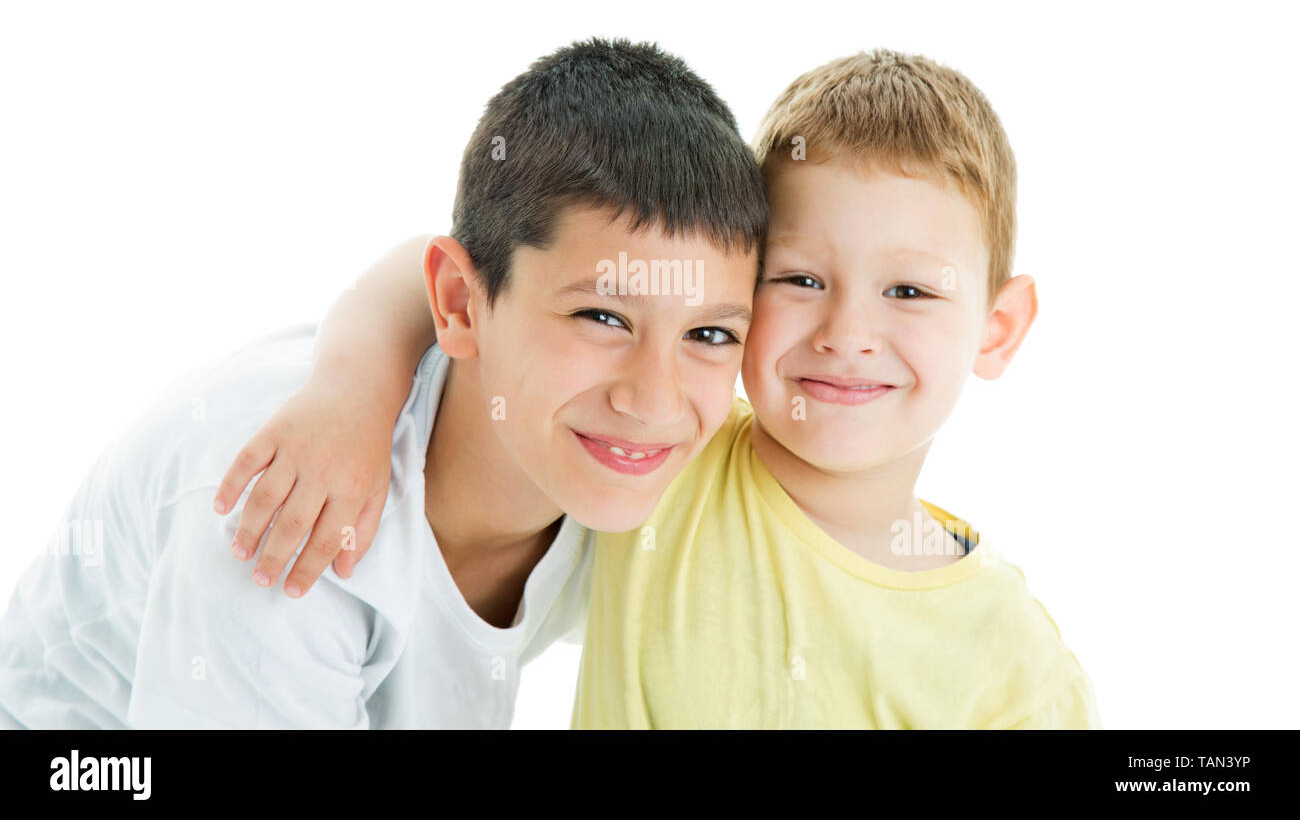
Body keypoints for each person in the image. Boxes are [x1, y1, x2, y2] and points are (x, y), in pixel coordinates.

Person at [224, 49, 1099, 728]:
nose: (846, 333)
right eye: (799, 279)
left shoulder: (1018, 670)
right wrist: (351, 390)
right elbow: (461, 274)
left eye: (909, 291)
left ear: (999, 326)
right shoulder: (667, 450)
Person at [0, 37, 766, 728]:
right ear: (461, 305)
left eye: (709, 333)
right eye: (602, 317)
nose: (657, 399)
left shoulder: (627, 460)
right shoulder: (285, 526)